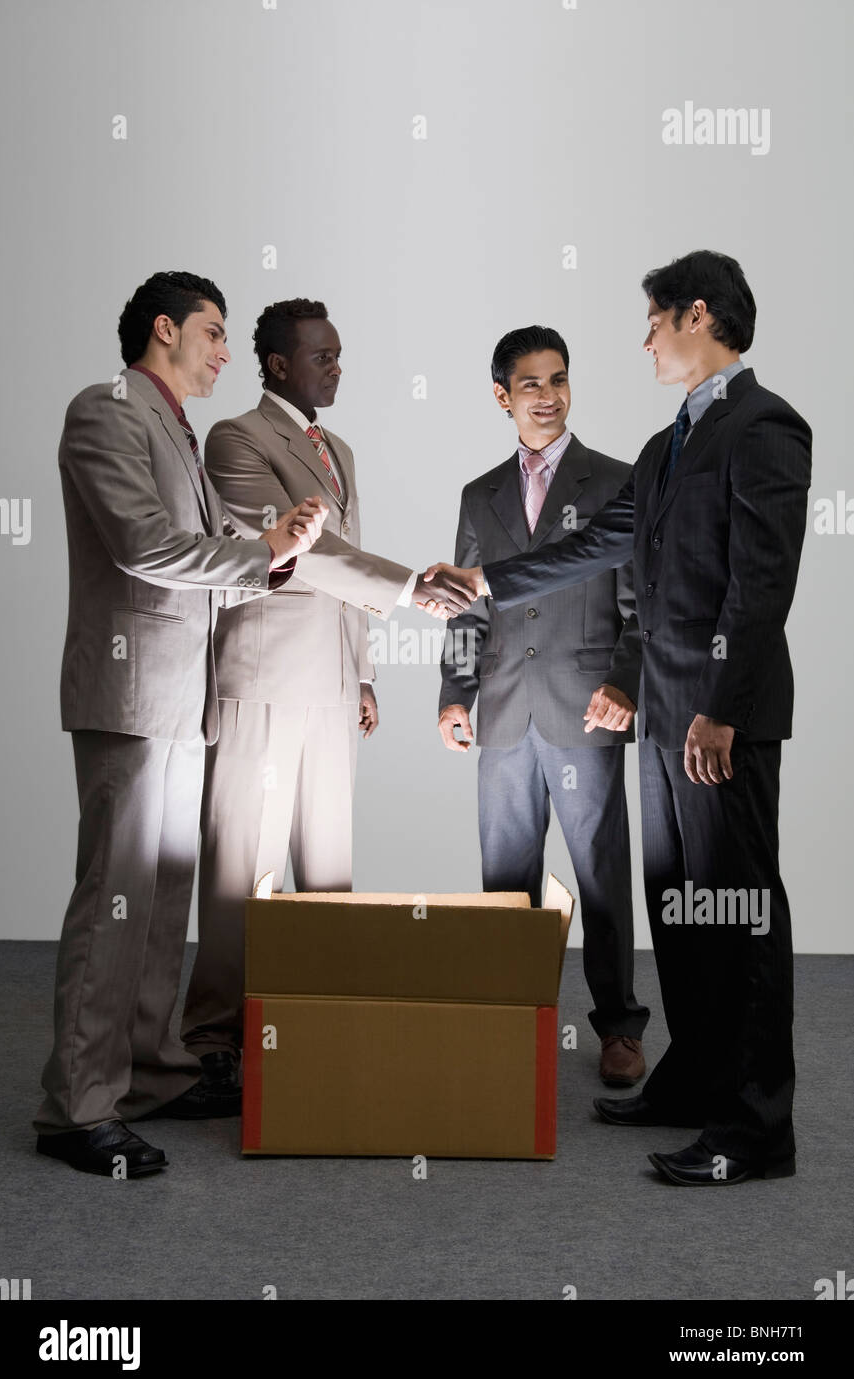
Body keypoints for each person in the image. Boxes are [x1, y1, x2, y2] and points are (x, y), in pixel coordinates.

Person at [430, 251, 811, 1186]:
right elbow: (597, 542)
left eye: (652, 321)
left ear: (694, 315)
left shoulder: (763, 427)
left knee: (740, 910)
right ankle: (692, 1080)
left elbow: (762, 587)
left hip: (720, 718)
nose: (642, 339)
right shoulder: (665, 444)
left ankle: (757, 1127)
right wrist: (486, 579)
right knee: (679, 907)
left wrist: (720, 711)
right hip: (663, 722)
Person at [34, 272, 327, 1176]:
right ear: (164, 329)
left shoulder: (174, 427)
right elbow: (142, 546)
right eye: (212, 333)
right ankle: (76, 1109)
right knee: (114, 902)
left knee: (160, 903)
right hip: (129, 698)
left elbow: (193, 548)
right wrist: (262, 551)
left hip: (176, 700)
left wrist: (270, 544)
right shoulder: (107, 410)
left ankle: (152, 1069)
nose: (225, 352)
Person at [181, 298, 473, 1093]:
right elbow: (296, 555)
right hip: (263, 683)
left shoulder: (335, 446)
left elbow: (345, 565)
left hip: (332, 686)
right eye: (321, 357)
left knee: (328, 871)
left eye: (339, 355)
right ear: (277, 364)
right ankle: (211, 1042)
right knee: (243, 873)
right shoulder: (235, 437)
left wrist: (365, 674)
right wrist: (411, 587)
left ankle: (310, 1024)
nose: (336, 368)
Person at [437, 325, 648, 1085]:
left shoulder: (619, 482)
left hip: (584, 706)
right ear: (502, 396)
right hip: (500, 712)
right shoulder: (477, 495)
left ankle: (619, 1026)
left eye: (558, 380)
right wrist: (453, 695)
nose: (548, 396)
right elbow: (464, 609)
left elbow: (638, 606)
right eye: (530, 384)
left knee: (600, 876)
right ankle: (509, 1018)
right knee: (505, 880)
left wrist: (622, 684)